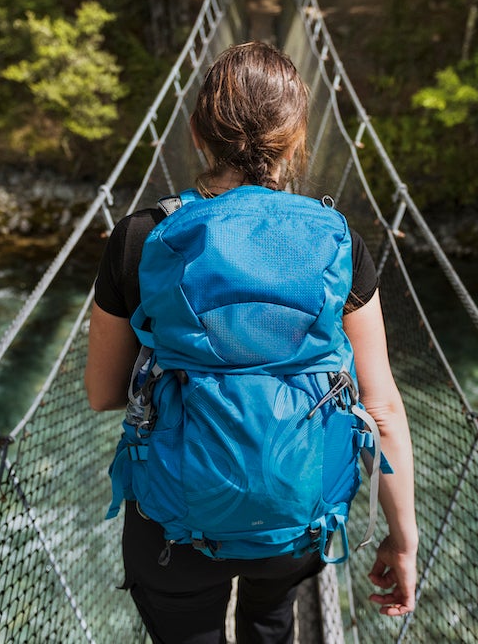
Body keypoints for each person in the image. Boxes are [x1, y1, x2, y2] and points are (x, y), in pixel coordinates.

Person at [85, 41, 417, 643]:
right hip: (294, 518)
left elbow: (102, 394)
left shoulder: (139, 237)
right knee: (271, 620)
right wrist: (403, 540)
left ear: (194, 132)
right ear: (296, 141)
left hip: (172, 527)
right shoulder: (340, 243)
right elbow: (384, 410)